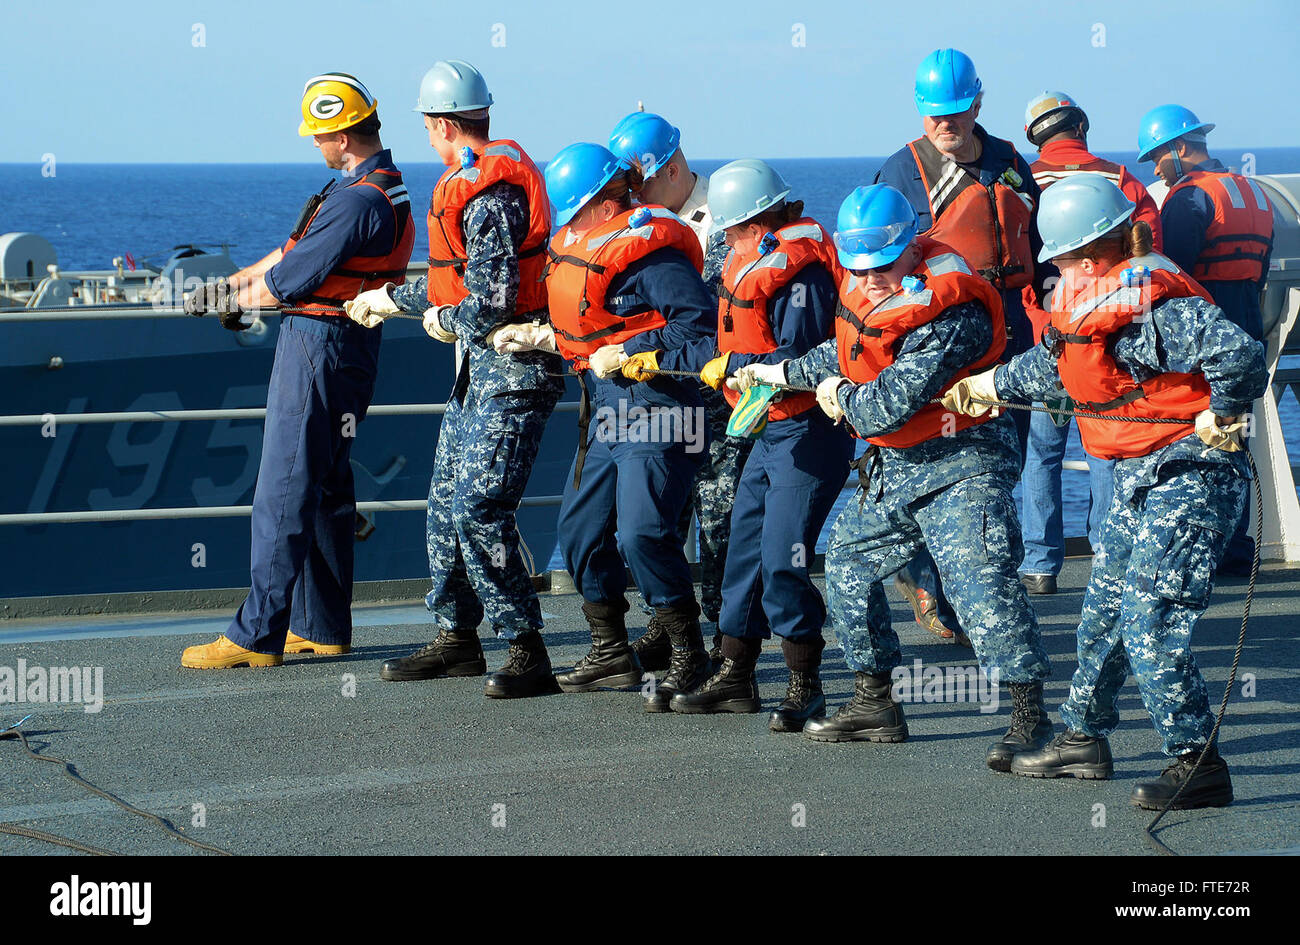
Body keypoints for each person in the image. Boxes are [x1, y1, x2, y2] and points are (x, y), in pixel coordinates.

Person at [943, 175, 1267, 808]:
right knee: (1104, 612)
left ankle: (1194, 761)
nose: (1052, 273)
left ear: (1088, 258)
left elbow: (1241, 354)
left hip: (1191, 474)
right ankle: (1082, 739)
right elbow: (1056, 364)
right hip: (1135, 475)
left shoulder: (1156, 306)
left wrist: (1224, 411)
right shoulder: (1088, 300)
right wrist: (988, 387)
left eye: (1058, 260)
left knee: (1152, 615)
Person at [732, 184, 1053, 769]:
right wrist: (778, 372)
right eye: (859, 267)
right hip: (898, 464)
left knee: (983, 587)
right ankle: (875, 701)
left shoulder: (951, 311)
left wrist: (835, 396)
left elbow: (884, 404)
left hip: (965, 463)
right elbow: (851, 350)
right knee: (849, 567)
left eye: (882, 265)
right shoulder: (868, 286)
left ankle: (1031, 715)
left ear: (911, 247)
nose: (871, 278)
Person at [346, 60, 565, 698]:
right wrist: (416, 302)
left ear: (442, 125)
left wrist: (406, 306)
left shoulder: (488, 195)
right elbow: (465, 290)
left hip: (514, 369)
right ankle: (457, 636)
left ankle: (526, 649)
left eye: (427, 126)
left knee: (480, 506)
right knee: (445, 501)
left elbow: (492, 303)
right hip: (478, 372)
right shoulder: (472, 185)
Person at [181, 73, 414, 668]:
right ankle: (322, 626)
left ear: (341, 133)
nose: (314, 144)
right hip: (351, 345)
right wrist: (228, 286)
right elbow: (289, 254)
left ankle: (254, 634)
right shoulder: (381, 188)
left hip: (319, 344)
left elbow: (290, 281)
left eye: (319, 135)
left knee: (283, 485)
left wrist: (230, 302)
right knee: (328, 484)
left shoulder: (356, 200)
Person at [494, 143, 716, 707]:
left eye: (573, 213)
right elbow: (586, 317)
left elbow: (700, 328)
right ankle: (611, 650)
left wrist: (635, 348)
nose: (567, 226)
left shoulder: (653, 255)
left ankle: (689, 652)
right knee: (581, 533)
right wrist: (543, 335)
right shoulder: (585, 245)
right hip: (606, 406)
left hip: (660, 404)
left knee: (643, 533)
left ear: (597, 204)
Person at [662, 160, 853, 731]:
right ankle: (736, 673)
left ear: (758, 222)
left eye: (733, 230)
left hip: (809, 432)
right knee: (744, 549)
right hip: (767, 428)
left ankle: (805, 684)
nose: (727, 240)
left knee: (783, 556)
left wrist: (742, 368)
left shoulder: (804, 277)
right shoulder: (753, 261)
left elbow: (806, 356)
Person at [873, 48, 1048, 642]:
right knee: (935, 460)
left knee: (1004, 462)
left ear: (977, 102)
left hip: (1011, 333)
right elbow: (878, 266)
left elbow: (1038, 240)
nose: (944, 125)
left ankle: (975, 593)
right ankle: (926, 576)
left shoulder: (1008, 162)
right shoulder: (901, 172)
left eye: (954, 112)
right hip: (941, 338)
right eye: (933, 115)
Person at [608, 111, 751, 671]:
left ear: (668, 168)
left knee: (721, 517)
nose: (631, 198)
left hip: (721, 396)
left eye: (637, 185)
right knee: (663, 515)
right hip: (665, 394)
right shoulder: (643, 226)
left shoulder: (725, 219)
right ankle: (669, 624)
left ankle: (728, 639)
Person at [1016, 90, 1163, 594]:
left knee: (1043, 452)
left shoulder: (1023, 182)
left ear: (1035, 135)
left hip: (1050, 339)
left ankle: (1038, 564)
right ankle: (1108, 553)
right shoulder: (1122, 182)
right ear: (1082, 127)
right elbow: (1148, 260)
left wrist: (1038, 320)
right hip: (1109, 344)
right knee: (1105, 448)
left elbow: (1014, 265)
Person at [1138, 104, 1274, 575]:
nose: (1156, 168)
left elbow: (1173, 272)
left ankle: (1201, 551)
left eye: (1158, 157)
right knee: (1235, 441)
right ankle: (1237, 549)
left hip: (1204, 335)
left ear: (1179, 149)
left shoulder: (1189, 198)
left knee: (1199, 444)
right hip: (1248, 330)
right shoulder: (1253, 192)